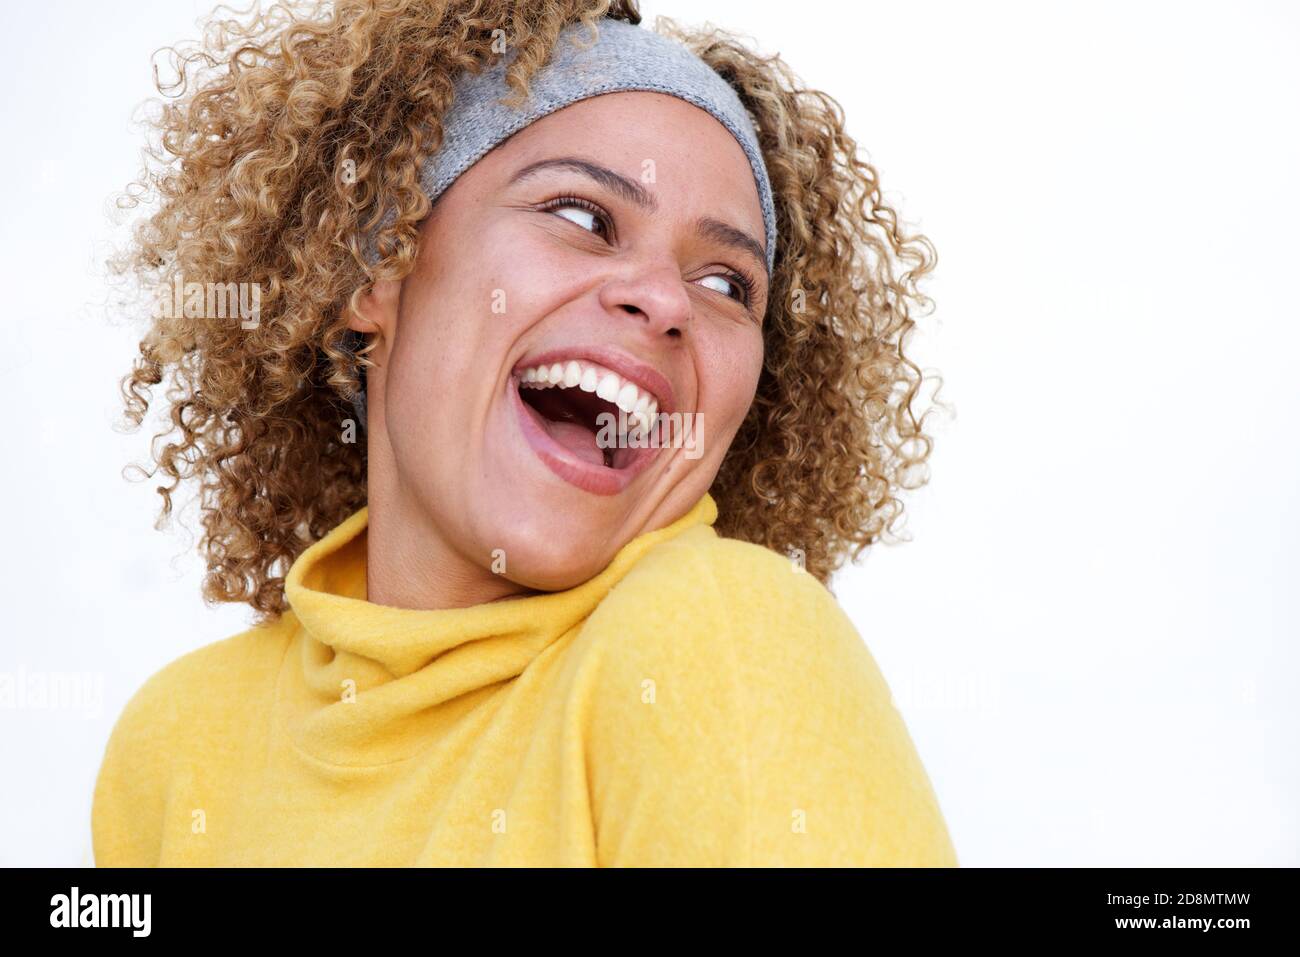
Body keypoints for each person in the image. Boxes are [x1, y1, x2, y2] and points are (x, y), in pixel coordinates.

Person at [93, 0, 956, 866]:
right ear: (375, 267)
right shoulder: (175, 746)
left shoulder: (721, 635)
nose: (662, 299)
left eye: (727, 283)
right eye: (584, 218)